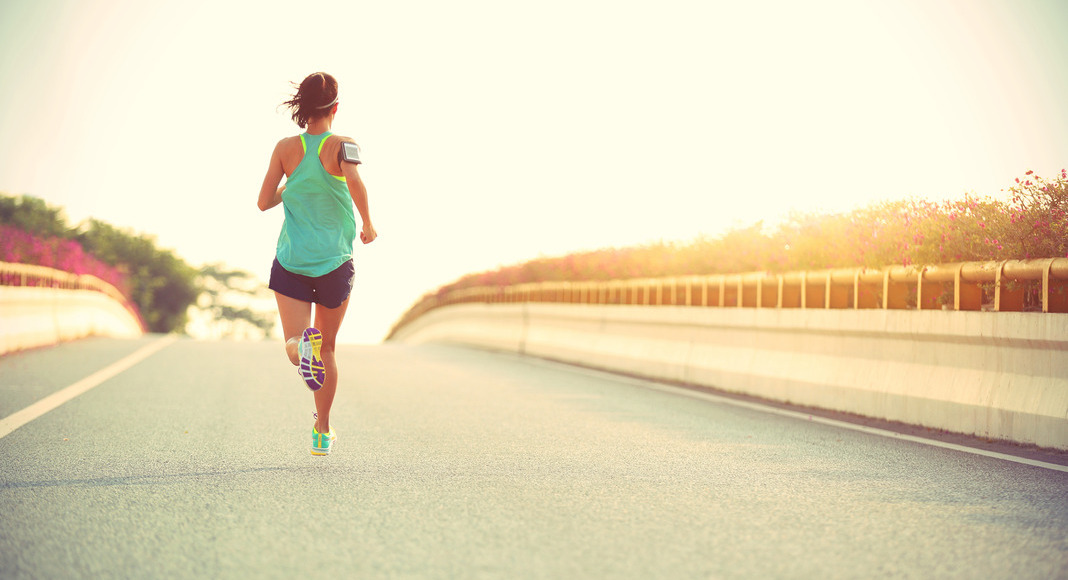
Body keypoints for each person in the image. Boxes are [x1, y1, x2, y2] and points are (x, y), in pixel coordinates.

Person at [257, 71, 376, 456]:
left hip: (292, 260)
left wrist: (293, 183)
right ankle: (322, 431)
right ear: (335, 108)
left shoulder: (284, 148)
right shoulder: (343, 144)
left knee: (296, 341)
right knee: (327, 349)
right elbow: (354, 182)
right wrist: (369, 224)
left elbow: (263, 202)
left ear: (303, 108)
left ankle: (297, 348)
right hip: (333, 263)